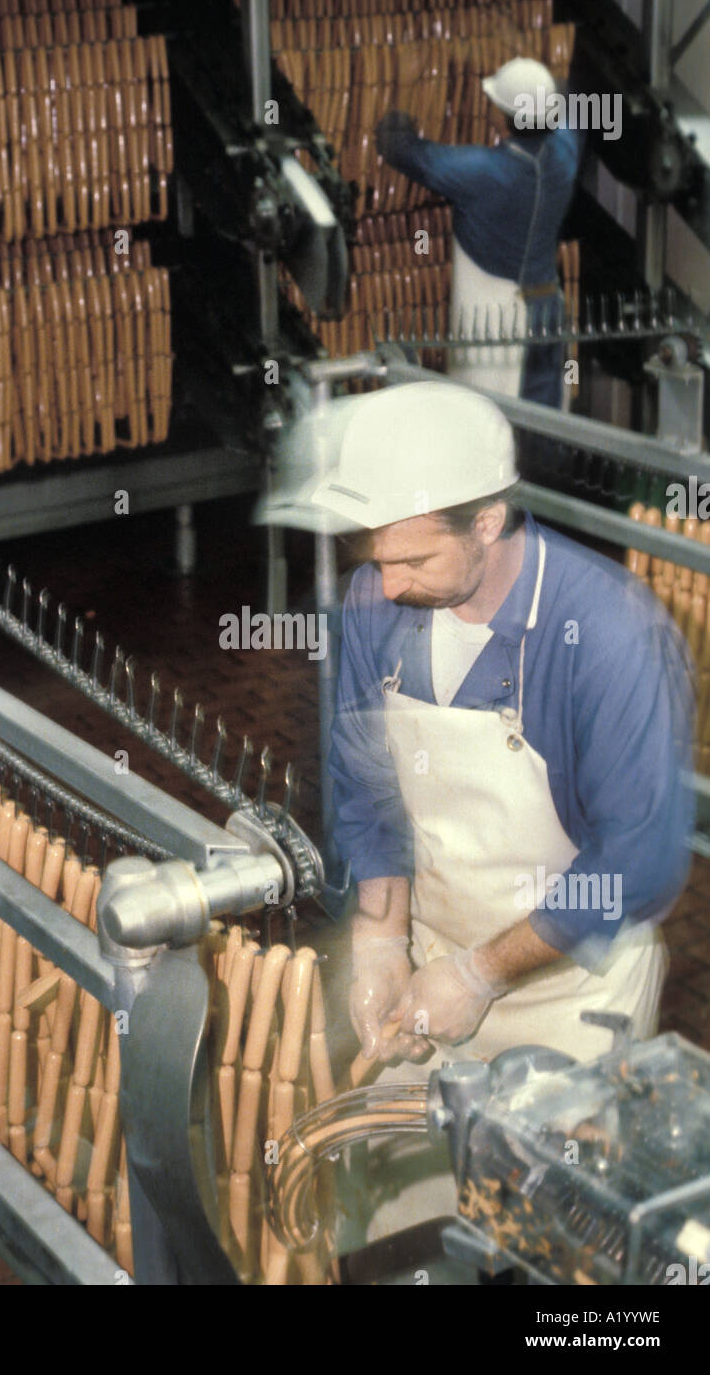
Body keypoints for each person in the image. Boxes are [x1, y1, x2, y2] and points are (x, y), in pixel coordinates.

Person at [315, 381, 693, 1084]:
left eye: (416, 562)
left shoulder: (610, 634)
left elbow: (635, 863)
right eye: (378, 558)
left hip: (572, 997)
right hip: (430, 971)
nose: (388, 586)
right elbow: (366, 790)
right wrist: (378, 938)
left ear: (486, 522)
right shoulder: (373, 600)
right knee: (406, 1182)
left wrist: (483, 974)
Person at [375, 58, 584, 408]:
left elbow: (406, 152)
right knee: (547, 419)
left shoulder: (482, 172)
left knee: (491, 417)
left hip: (496, 322)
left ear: (501, 115)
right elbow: (573, 106)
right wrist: (552, 86)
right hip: (548, 309)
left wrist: (394, 121)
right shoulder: (566, 150)